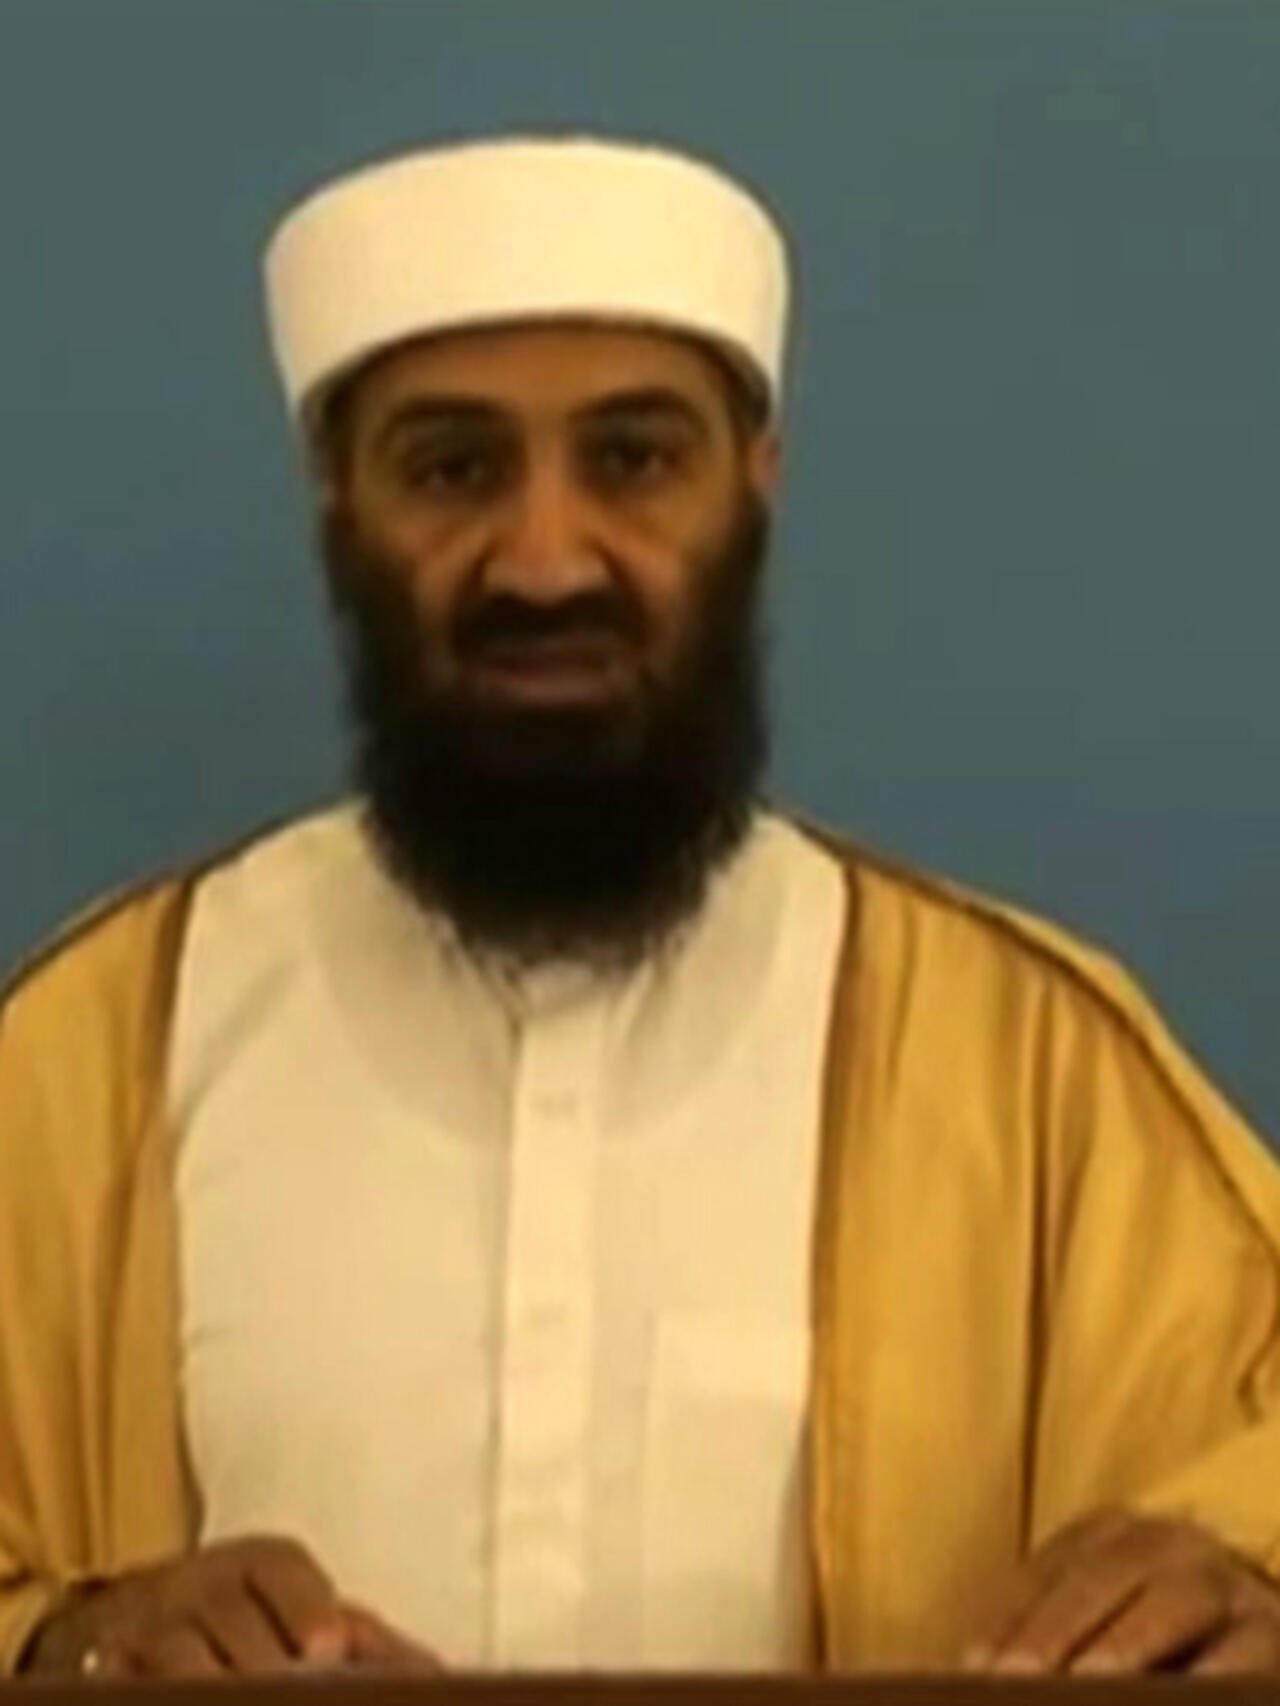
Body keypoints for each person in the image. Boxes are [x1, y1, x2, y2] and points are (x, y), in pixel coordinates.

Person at [3, 131, 1280, 1683]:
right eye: (454, 469)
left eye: (634, 459)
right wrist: (66, 1638)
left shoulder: (1040, 1077)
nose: (546, 561)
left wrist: (1232, 1580)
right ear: (337, 501)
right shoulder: (84, 1062)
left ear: (756, 481)